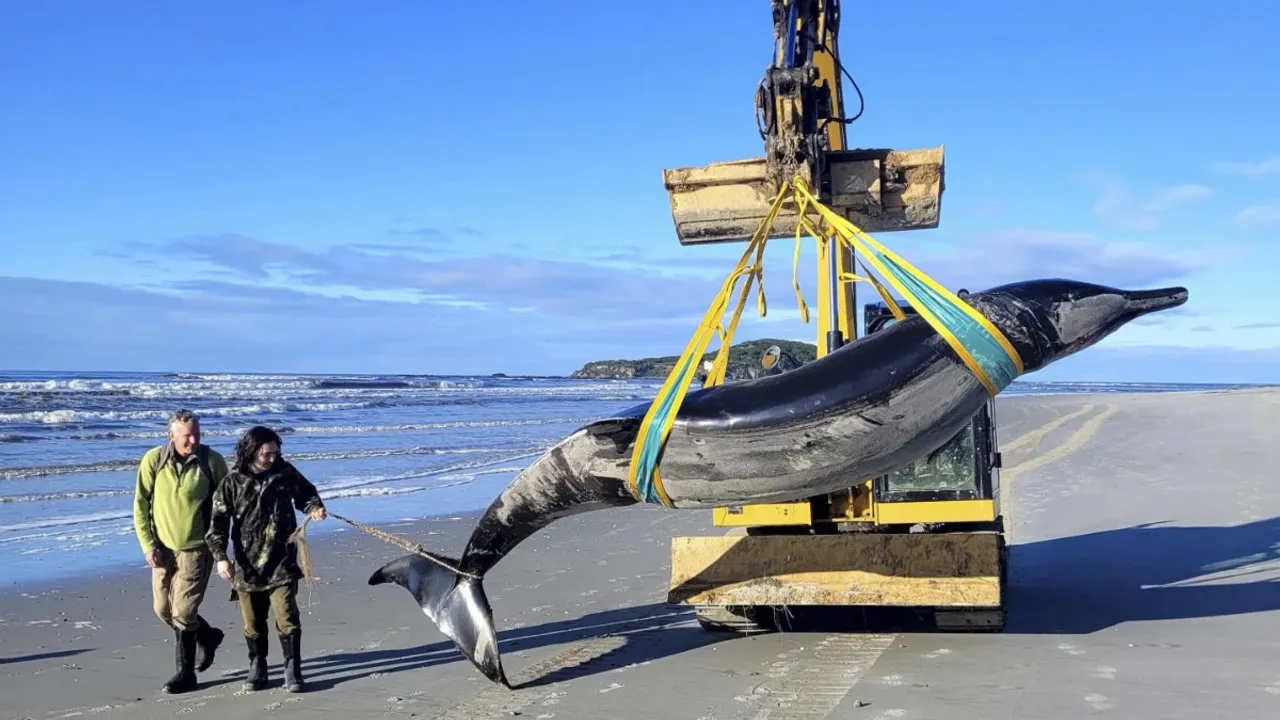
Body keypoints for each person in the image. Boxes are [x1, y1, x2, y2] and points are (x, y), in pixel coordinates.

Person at [206, 425, 327, 693]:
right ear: (251, 451)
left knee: (287, 617)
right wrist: (220, 558)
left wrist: (314, 507)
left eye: (275, 452)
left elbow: (306, 494)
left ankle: (292, 670)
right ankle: (257, 667)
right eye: (266, 454)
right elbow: (218, 523)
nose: (272, 458)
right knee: (252, 622)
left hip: (282, 560)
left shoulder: (285, 473)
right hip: (247, 565)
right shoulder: (232, 482)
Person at [132, 408, 229, 694]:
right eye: (187, 436)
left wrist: (222, 547)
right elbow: (140, 505)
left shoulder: (212, 461)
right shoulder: (153, 460)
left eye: (197, 434)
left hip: (197, 548)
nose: (193, 440)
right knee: (163, 610)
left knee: (184, 612)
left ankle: (185, 674)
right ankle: (208, 636)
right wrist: (148, 545)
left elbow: (227, 504)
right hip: (162, 549)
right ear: (171, 435)